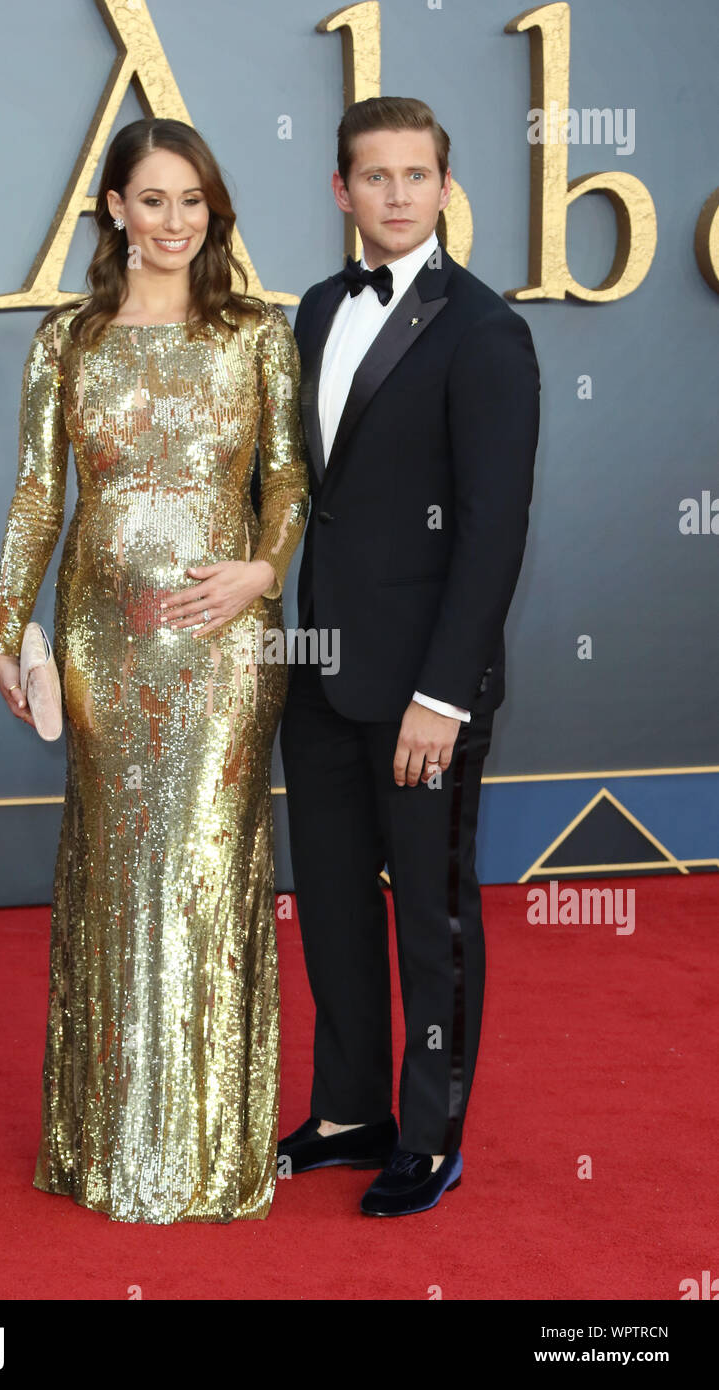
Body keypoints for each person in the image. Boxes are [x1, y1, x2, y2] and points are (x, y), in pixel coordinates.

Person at [0, 118, 309, 1224]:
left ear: (212, 213)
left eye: (193, 201)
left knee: (205, 867)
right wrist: (3, 624)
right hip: (100, 641)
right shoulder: (66, 341)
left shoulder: (256, 336)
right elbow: (39, 493)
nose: (174, 222)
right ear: (114, 208)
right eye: (152, 199)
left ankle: (209, 1148)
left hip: (223, 647)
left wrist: (260, 576)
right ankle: (109, 1142)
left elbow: (289, 481)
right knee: (121, 871)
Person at [279, 96, 540, 1216]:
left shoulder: (484, 331)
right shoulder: (312, 309)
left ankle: (427, 1135)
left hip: (425, 689)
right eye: (371, 177)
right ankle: (347, 1113)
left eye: (414, 176)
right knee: (331, 902)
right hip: (320, 670)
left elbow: (493, 530)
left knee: (428, 921)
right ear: (339, 190)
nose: (393, 196)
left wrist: (440, 693)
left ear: (444, 188)